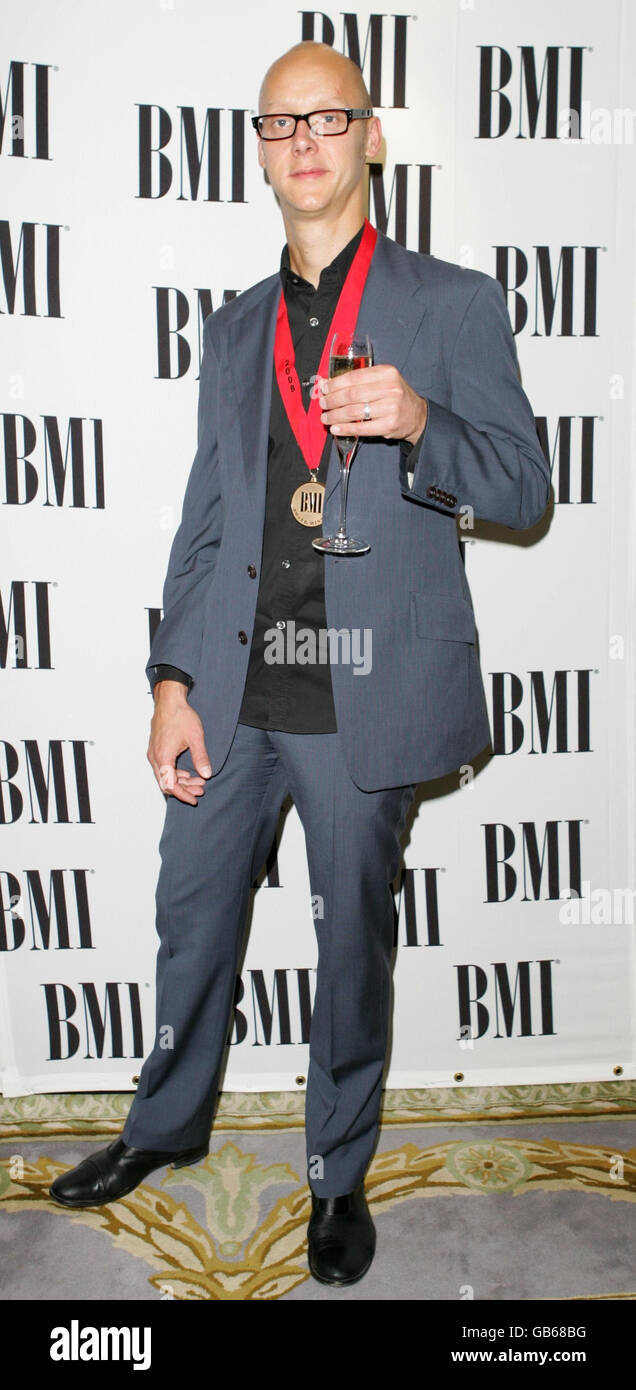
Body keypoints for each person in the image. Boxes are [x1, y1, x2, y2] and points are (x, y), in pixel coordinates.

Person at [49, 40, 551, 1288]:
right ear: (261, 153)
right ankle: (162, 1127)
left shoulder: (450, 303)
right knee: (189, 926)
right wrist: (170, 679)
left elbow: (527, 490)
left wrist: (425, 421)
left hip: (360, 701)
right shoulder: (233, 331)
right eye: (280, 125)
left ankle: (336, 1175)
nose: (305, 141)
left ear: (370, 138)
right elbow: (206, 519)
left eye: (329, 118)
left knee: (348, 953)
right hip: (229, 692)